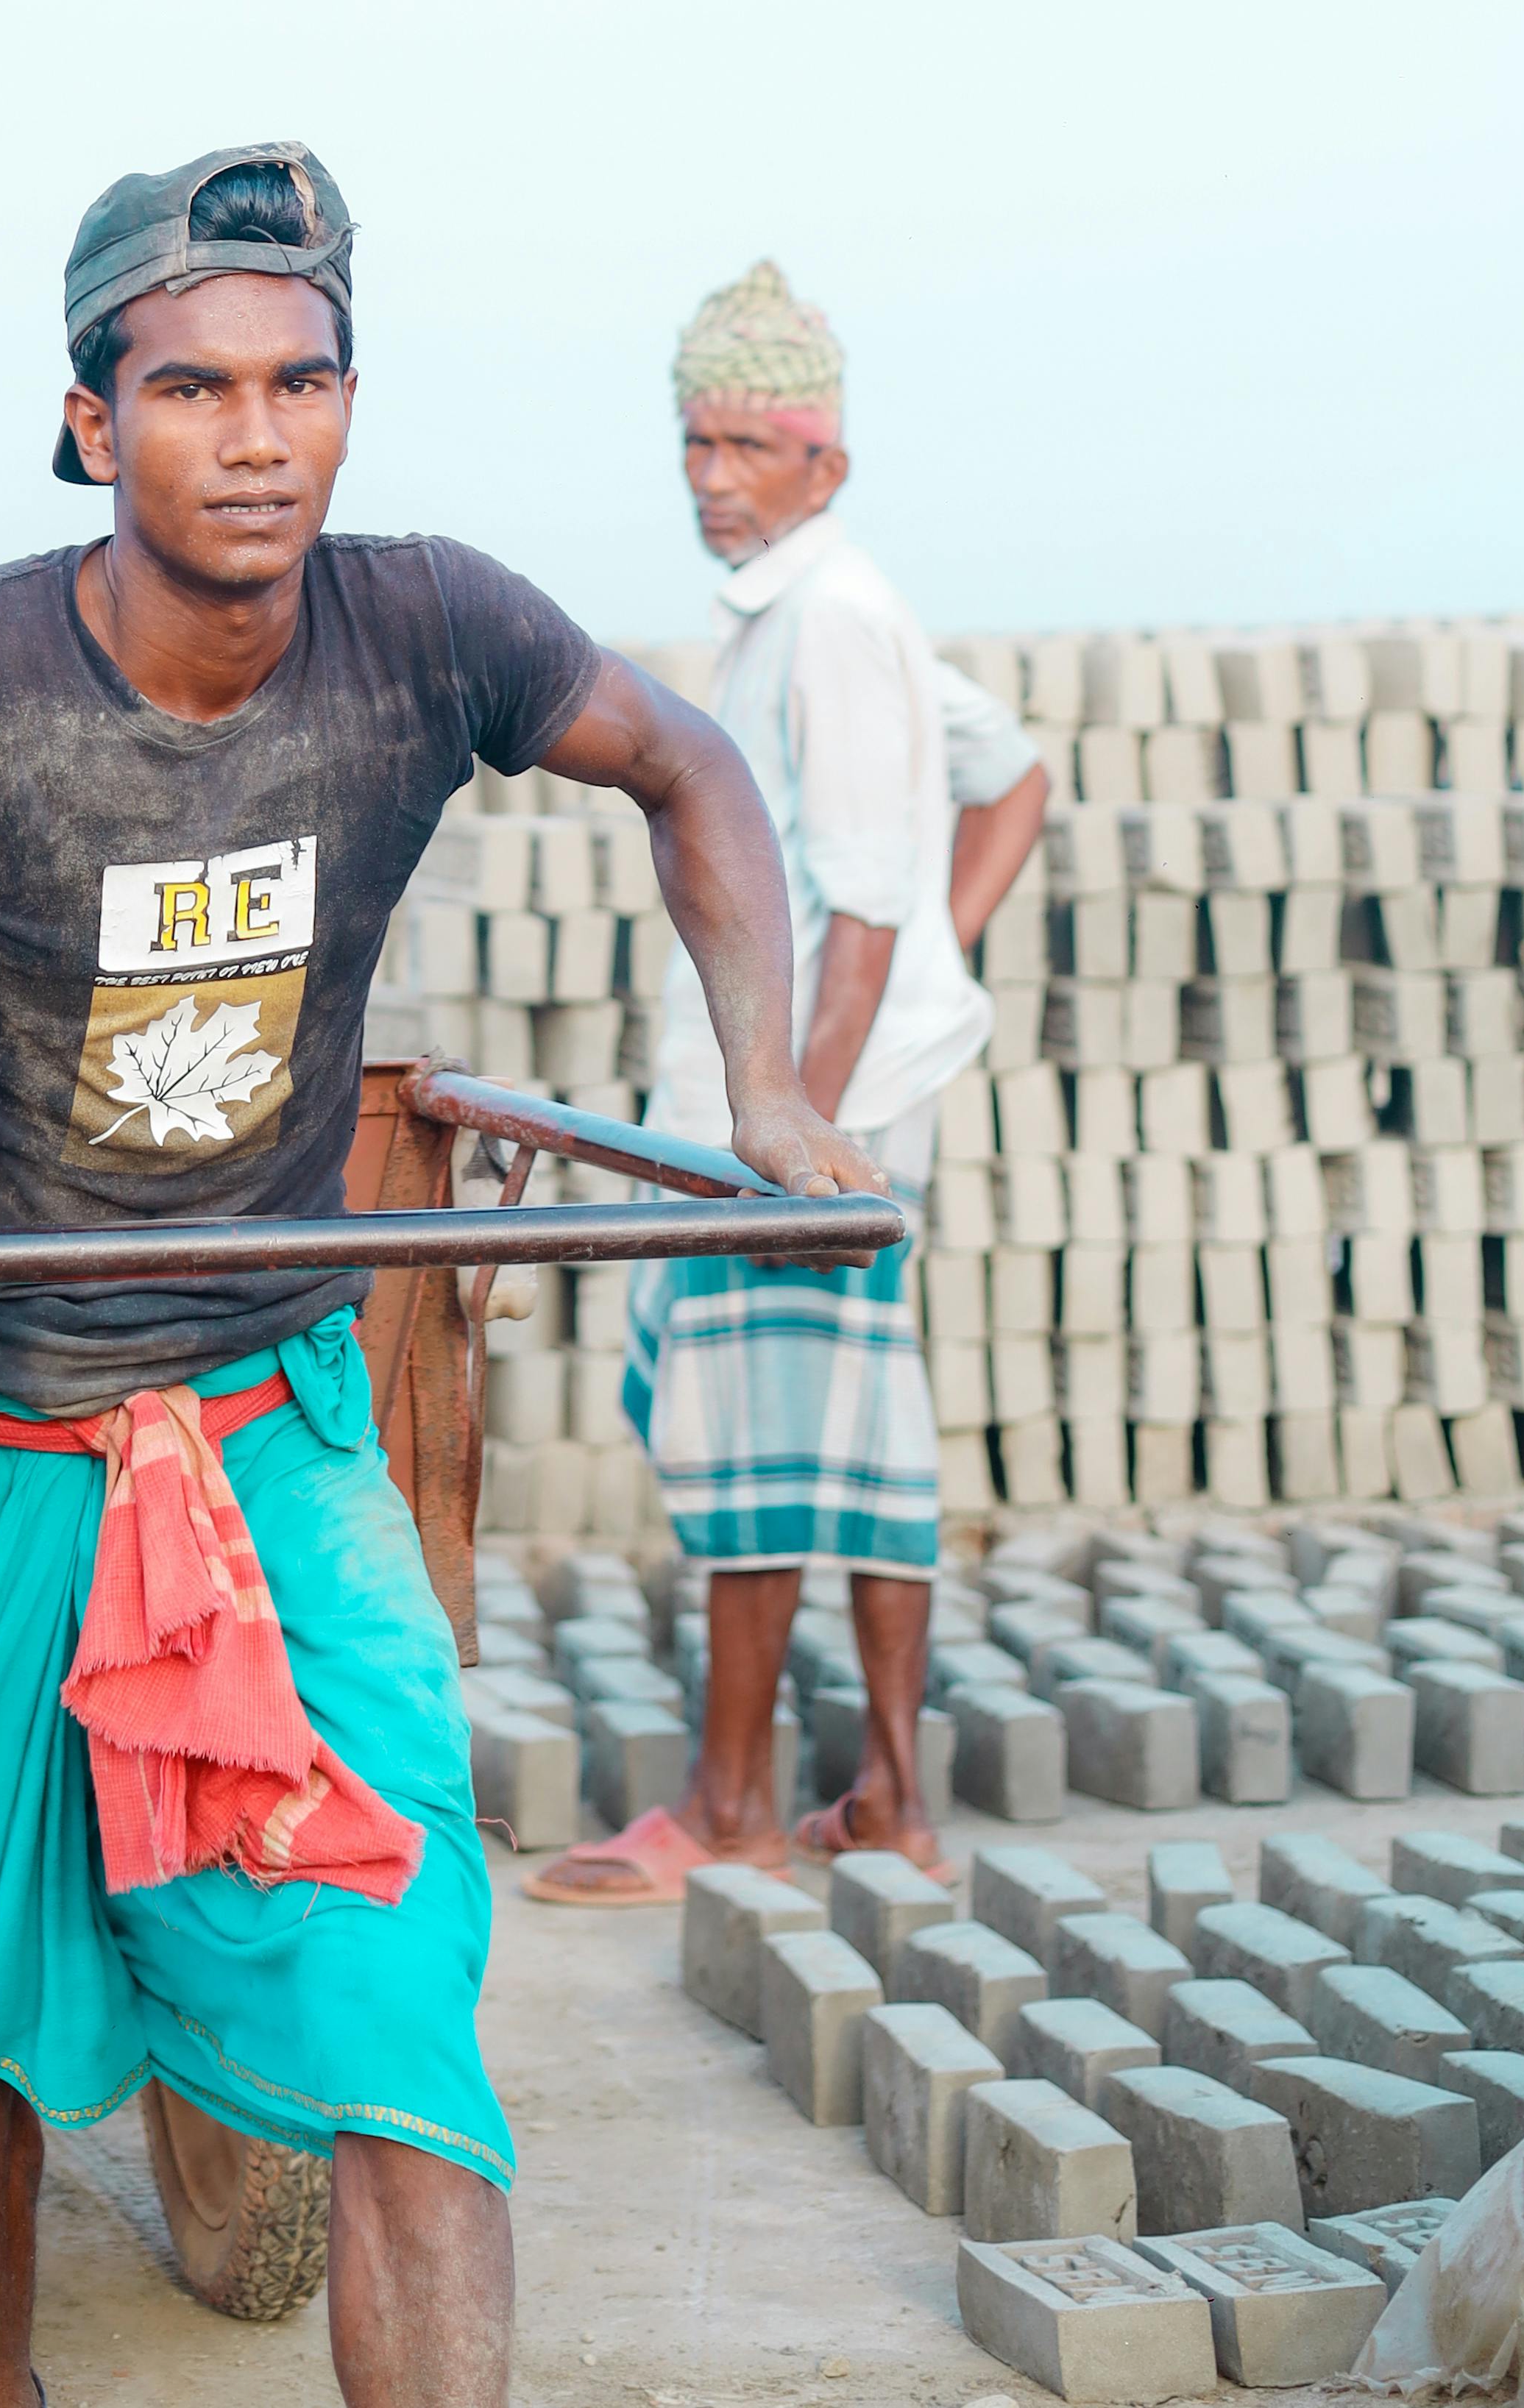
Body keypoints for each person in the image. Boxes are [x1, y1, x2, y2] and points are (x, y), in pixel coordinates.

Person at [0, 146, 873, 2408]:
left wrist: (771, 1086)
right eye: (190, 386)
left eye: (300, 379)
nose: (253, 431)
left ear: (348, 399)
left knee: (403, 2037)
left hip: (273, 1414)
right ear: (86, 416)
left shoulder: (432, 626)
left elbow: (689, 763)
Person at [529, 260, 1047, 1907]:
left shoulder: (827, 616)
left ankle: (731, 1804)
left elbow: (866, 902)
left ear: (824, 457)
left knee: (755, 1449)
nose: (711, 472)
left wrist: (791, 1131)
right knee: (860, 1438)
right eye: (694, 440)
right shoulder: (819, 609)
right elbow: (1010, 773)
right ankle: (891, 1794)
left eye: (747, 443)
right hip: (830, 1107)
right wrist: (917, 1005)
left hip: (801, 1122)